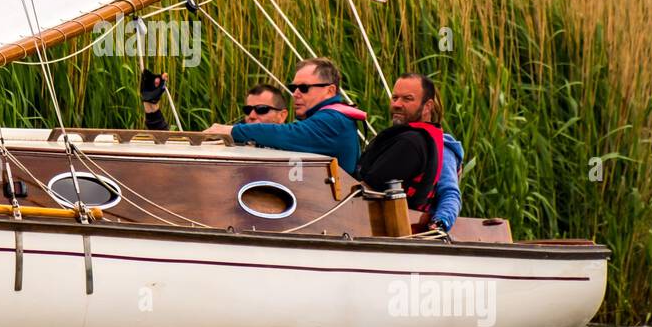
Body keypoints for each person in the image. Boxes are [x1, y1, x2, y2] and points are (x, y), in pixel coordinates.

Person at [202, 57, 366, 175]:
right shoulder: (326, 117)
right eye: (294, 87)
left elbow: (288, 133)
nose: (295, 94)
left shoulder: (333, 120)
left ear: (329, 91)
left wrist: (232, 130)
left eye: (303, 88)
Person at [356, 72, 464, 231]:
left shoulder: (428, 145)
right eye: (395, 98)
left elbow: (450, 192)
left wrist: (441, 222)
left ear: (428, 106)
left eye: (407, 99)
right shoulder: (404, 138)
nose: (397, 104)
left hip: (398, 224)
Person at [140, 71, 287, 130]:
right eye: (248, 110)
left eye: (261, 110)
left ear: (282, 116)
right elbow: (178, 150)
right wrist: (151, 107)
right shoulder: (232, 141)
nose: (252, 116)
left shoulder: (297, 142)